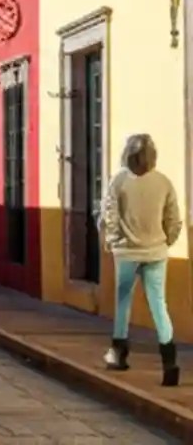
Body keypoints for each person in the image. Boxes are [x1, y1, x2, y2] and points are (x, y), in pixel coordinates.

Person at [101, 134, 182, 386]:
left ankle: (118, 353)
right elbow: (174, 219)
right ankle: (169, 362)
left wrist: (114, 240)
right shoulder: (163, 182)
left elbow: (109, 214)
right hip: (156, 251)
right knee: (159, 304)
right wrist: (166, 241)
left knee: (123, 301)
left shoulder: (119, 181)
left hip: (126, 252)